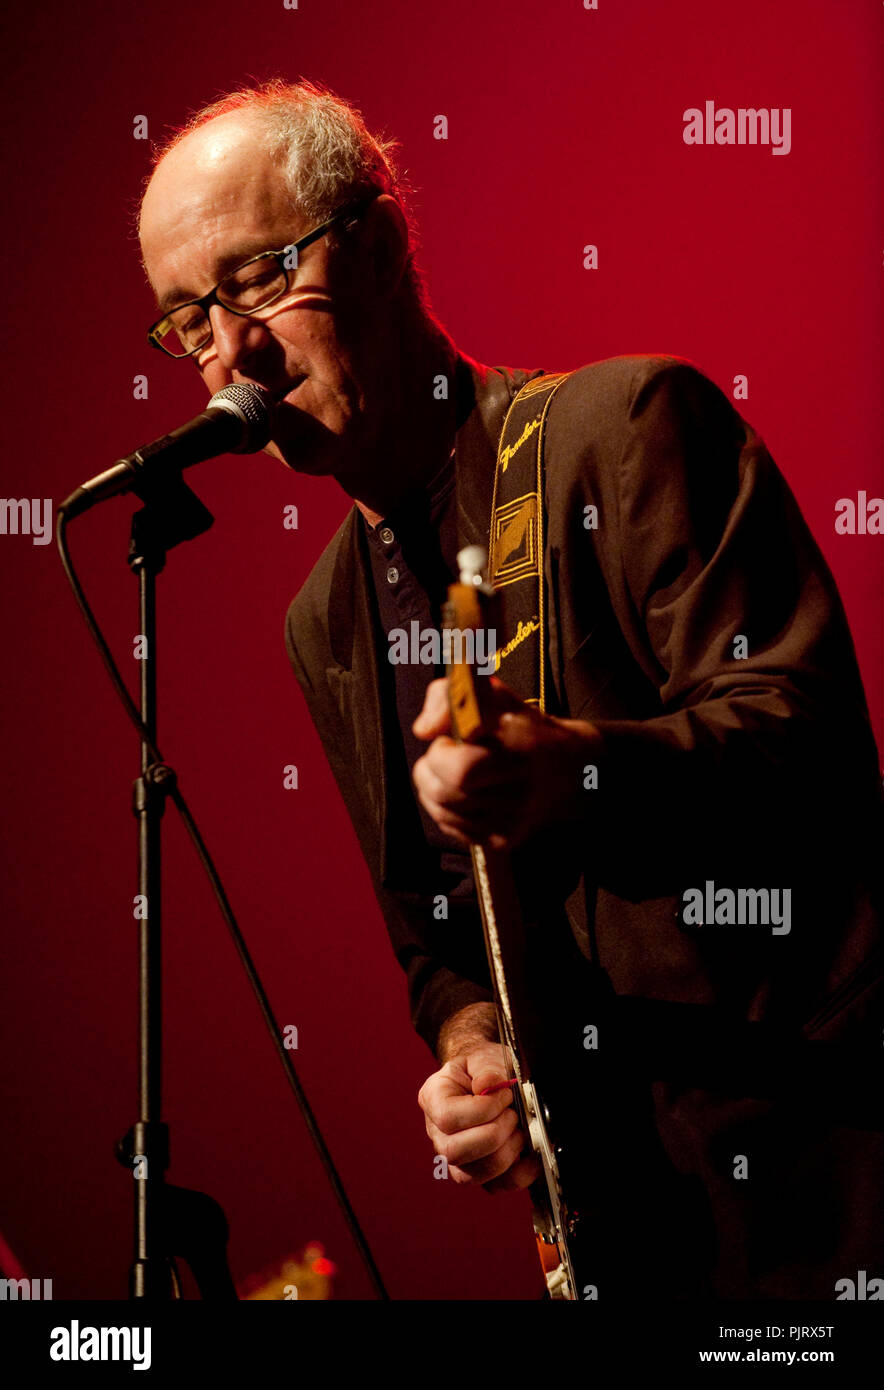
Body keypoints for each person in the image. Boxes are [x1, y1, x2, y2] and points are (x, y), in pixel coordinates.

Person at [138, 78, 884, 1299]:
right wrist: (468, 1052)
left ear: (374, 248)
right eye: (186, 320)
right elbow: (428, 938)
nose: (231, 354)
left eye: (255, 280)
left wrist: (566, 770)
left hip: (822, 1170)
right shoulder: (320, 623)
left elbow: (799, 742)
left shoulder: (623, 424)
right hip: (633, 1233)